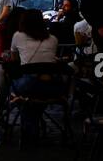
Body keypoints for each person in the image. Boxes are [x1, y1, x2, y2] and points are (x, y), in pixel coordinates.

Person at [8, 9, 64, 147]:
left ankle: (29, 129)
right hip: (52, 87)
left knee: (23, 92)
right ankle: (34, 124)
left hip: (29, 84)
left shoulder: (17, 36)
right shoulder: (53, 39)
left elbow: (14, 59)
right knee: (34, 96)